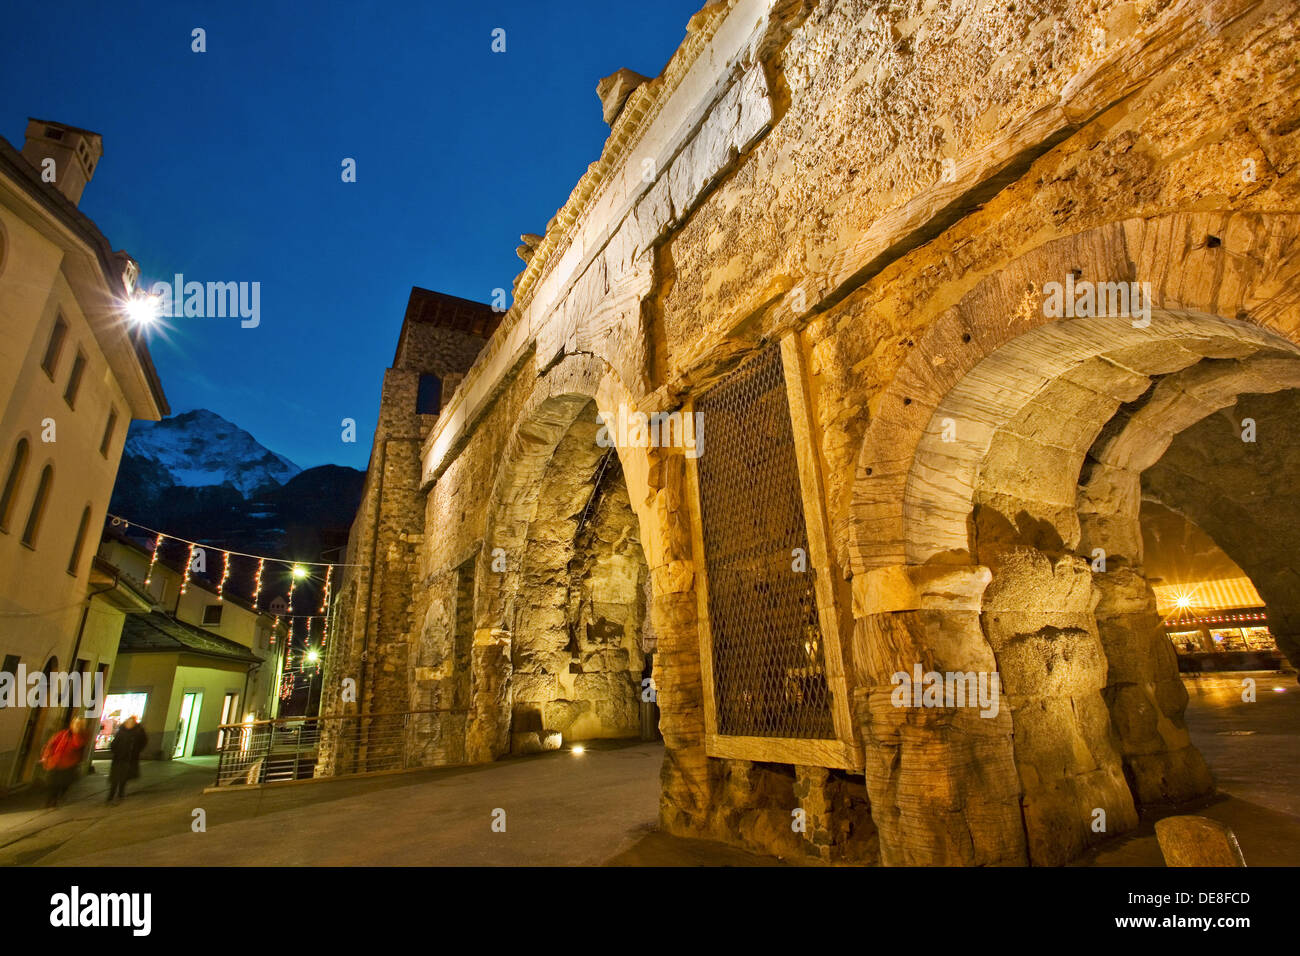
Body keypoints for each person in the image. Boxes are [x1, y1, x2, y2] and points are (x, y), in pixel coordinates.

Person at [40, 717, 88, 807]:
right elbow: (51, 744)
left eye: (79, 724)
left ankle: (57, 798)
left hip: (69, 765)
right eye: (75, 723)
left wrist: (77, 733)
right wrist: (46, 756)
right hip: (56, 762)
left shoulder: (82, 736)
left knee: (63, 784)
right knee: (51, 783)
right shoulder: (63, 734)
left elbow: (77, 744)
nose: (76, 726)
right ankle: (50, 801)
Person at [107, 716, 148, 804]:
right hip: (119, 757)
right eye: (128, 722)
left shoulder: (138, 732)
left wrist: (136, 751)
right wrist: (114, 749)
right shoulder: (121, 731)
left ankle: (120, 793)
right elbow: (115, 742)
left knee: (123, 776)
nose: (129, 724)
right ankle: (111, 795)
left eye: (131, 722)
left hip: (129, 758)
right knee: (115, 777)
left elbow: (143, 742)